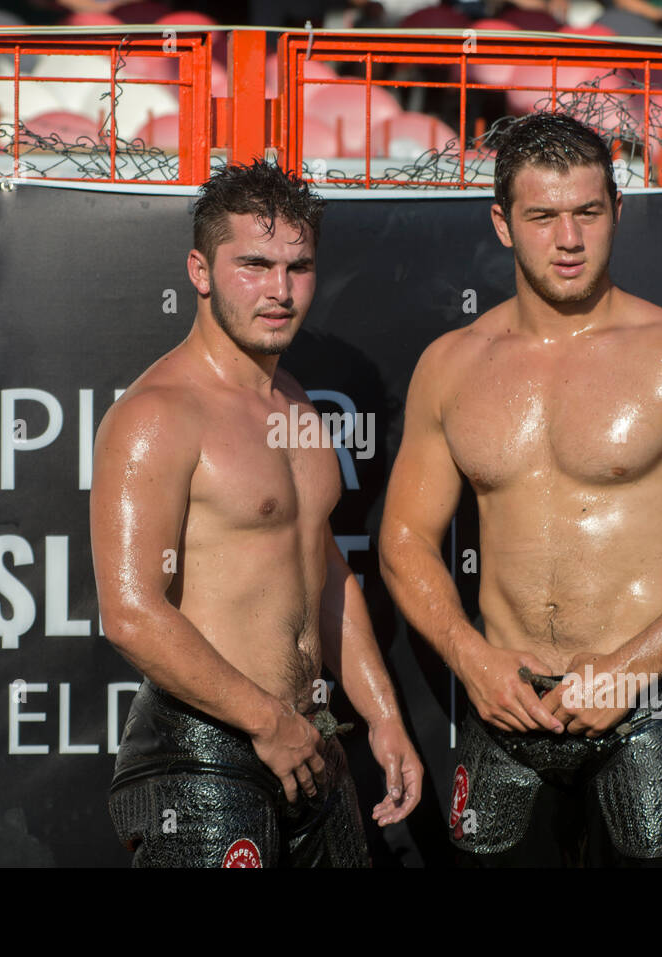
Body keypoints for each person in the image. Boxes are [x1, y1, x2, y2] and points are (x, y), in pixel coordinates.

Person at [378, 111, 662, 866]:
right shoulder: (452, 364)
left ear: (617, 211)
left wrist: (630, 668)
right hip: (508, 704)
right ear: (503, 223)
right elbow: (403, 539)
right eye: (543, 216)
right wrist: (470, 656)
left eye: (587, 213)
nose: (568, 239)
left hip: (647, 707)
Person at [91, 159, 422, 868]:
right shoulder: (156, 415)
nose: (280, 289)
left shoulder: (299, 406)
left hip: (307, 740)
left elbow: (325, 570)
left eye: (298, 267)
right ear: (200, 270)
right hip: (202, 752)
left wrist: (384, 715)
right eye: (254, 264)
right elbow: (129, 612)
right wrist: (266, 720)